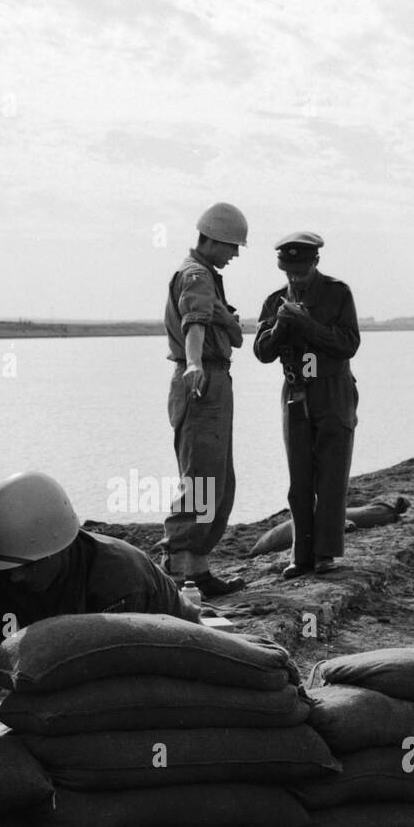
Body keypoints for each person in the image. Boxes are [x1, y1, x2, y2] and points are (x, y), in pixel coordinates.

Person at [0, 470, 200, 712]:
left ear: (58, 550)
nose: (17, 578)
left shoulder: (119, 581)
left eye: (26, 567)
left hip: (174, 656)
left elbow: (117, 677)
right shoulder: (6, 577)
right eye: (9, 568)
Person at [253, 231, 360, 578]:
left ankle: (325, 554)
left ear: (315, 262)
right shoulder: (275, 301)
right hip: (295, 392)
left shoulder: (338, 293)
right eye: (289, 271)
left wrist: (308, 325)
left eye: (301, 270)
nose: (295, 278)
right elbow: (262, 353)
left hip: (333, 390)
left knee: (331, 477)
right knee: (299, 481)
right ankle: (301, 556)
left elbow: (348, 344)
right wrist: (282, 326)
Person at [159, 201, 249, 599]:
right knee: (202, 478)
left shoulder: (206, 274)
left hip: (213, 380)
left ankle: (197, 568)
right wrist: (195, 363)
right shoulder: (196, 275)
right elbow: (193, 322)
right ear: (210, 239)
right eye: (231, 245)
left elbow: (222, 327)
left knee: (217, 479)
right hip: (202, 379)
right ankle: (179, 569)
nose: (235, 253)